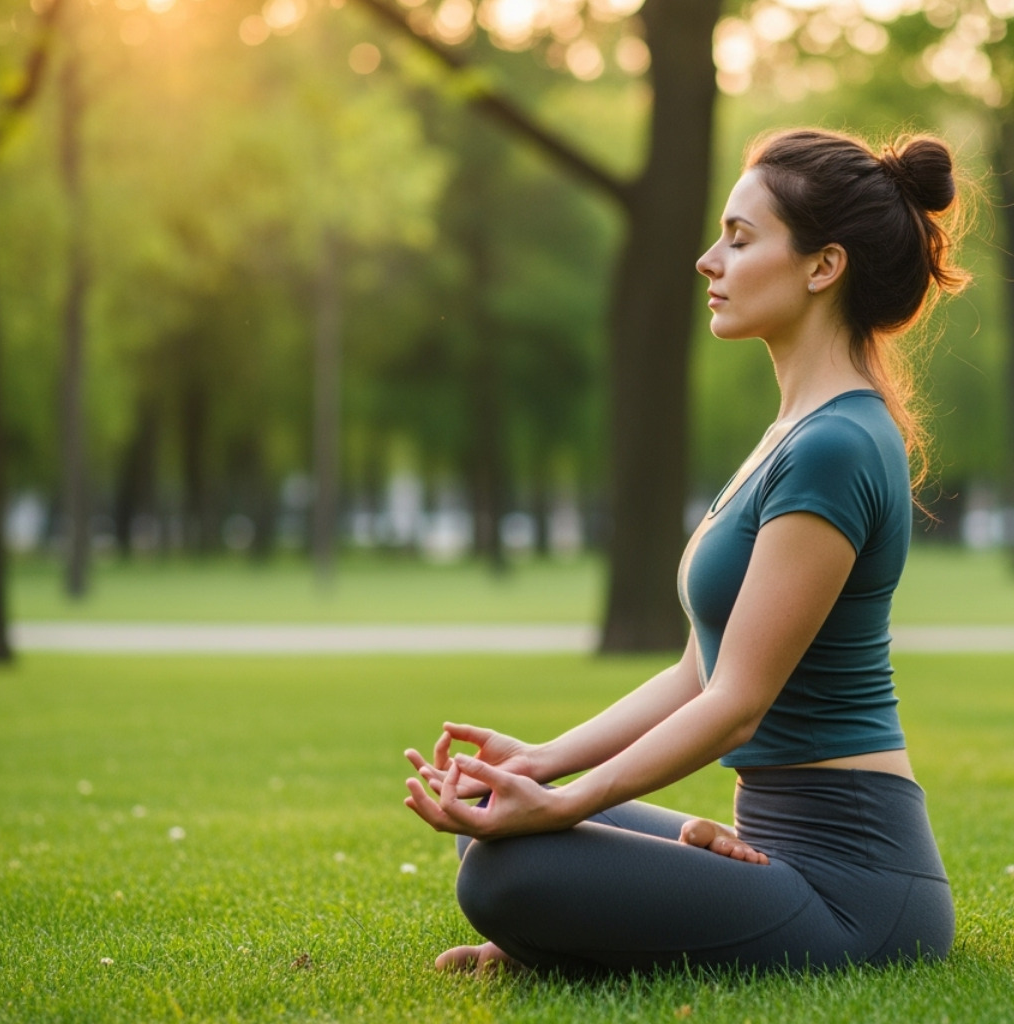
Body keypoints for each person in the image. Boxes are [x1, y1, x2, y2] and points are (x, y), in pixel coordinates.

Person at [403, 127, 970, 975]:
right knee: (492, 805)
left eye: (740, 240)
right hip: (777, 851)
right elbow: (697, 672)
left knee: (507, 869)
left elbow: (736, 705)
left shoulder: (838, 444)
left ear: (823, 267)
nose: (709, 261)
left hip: (859, 892)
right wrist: (540, 763)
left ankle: (580, 931)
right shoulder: (793, 433)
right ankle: (629, 910)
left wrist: (564, 809)